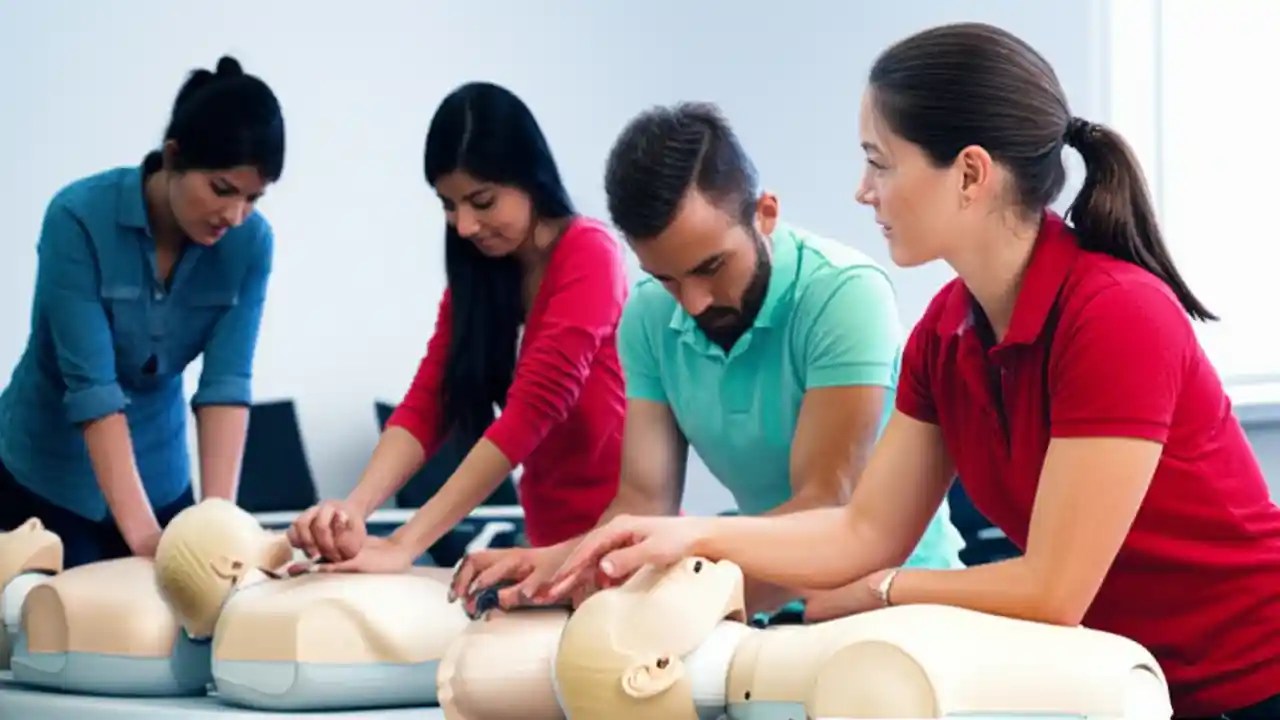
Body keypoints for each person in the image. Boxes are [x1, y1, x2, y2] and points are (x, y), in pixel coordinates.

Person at [545, 22, 1280, 720]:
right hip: (1136, 687)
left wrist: (886, 592)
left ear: (969, 174)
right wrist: (688, 539)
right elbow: (861, 529)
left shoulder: (1115, 314)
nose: (863, 191)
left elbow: (1053, 589)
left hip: (1255, 677)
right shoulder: (944, 333)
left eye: (879, 162)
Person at [451, 101, 964, 620]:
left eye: (711, 267)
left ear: (764, 213)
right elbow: (643, 501)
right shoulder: (650, 316)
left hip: (894, 597)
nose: (693, 303)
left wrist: (688, 594)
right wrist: (550, 567)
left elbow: (825, 503)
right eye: (667, 278)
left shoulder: (843, 294)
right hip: (756, 596)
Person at [286, 82, 628, 573]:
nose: (464, 225)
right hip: (543, 550)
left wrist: (406, 542)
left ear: (530, 178)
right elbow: (430, 400)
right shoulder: (483, 274)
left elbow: (534, 408)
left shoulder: (590, 254)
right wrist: (353, 511)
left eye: (481, 201)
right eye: (448, 205)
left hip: (617, 546)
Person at [0, 56, 285, 568]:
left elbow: (225, 385)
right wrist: (145, 539)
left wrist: (215, 528)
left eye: (253, 198)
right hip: (45, 479)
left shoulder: (251, 244)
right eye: (221, 189)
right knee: (63, 626)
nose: (234, 215)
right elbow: (92, 389)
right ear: (173, 156)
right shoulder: (77, 218)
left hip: (159, 474)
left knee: (178, 616)